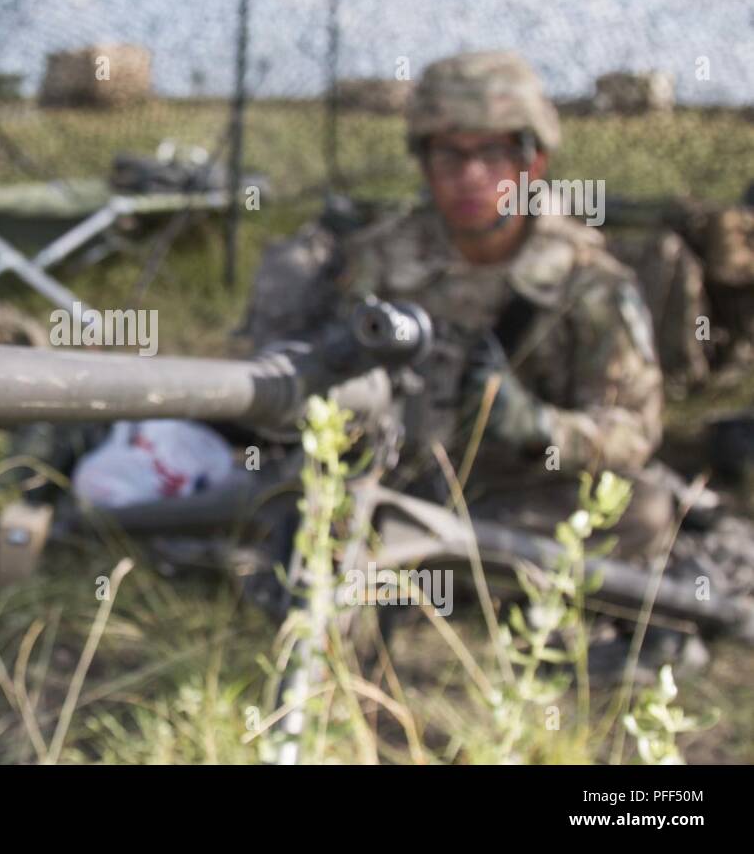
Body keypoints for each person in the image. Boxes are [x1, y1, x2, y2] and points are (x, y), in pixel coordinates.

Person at [243, 50, 672, 561]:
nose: (470, 176)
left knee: (642, 510)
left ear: (533, 162)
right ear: (424, 162)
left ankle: (431, 556)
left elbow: (633, 432)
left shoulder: (588, 281)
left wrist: (538, 426)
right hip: (391, 480)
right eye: (449, 155)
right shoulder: (379, 259)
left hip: (520, 490)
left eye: (492, 154)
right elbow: (322, 382)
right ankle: (440, 559)